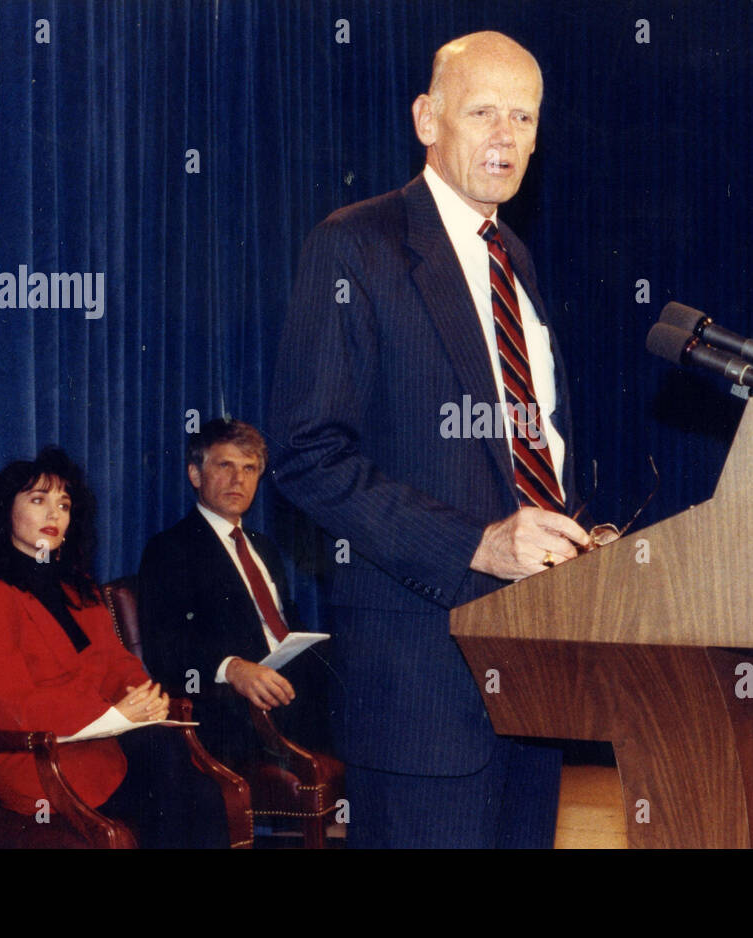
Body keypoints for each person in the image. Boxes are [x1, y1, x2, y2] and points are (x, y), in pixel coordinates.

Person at [267, 31, 590, 848]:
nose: (506, 138)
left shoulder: (513, 258)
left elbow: (530, 446)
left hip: (535, 668)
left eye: (524, 117)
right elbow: (307, 453)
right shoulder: (357, 244)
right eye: (483, 112)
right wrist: (475, 545)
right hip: (422, 686)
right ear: (426, 117)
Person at [0, 446, 229, 848]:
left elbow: (115, 660)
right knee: (169, 771)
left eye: (64, 505)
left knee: (202, 789)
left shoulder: (79, 589)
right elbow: (11, 702)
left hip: (107, 743)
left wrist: (142, 696)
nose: (54, 514)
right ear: (5, 512)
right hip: (41, 756)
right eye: (38, 500)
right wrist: (111, 713)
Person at [137, 418, 327, 771]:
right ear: (195, 474)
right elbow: (165, 648)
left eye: (250, 468)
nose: (239, 480)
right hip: (234, 706)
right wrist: (234, 669)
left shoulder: (264, 548)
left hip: (292, 686)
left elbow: (286, 623)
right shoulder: (170, 549)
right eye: (225, 466)